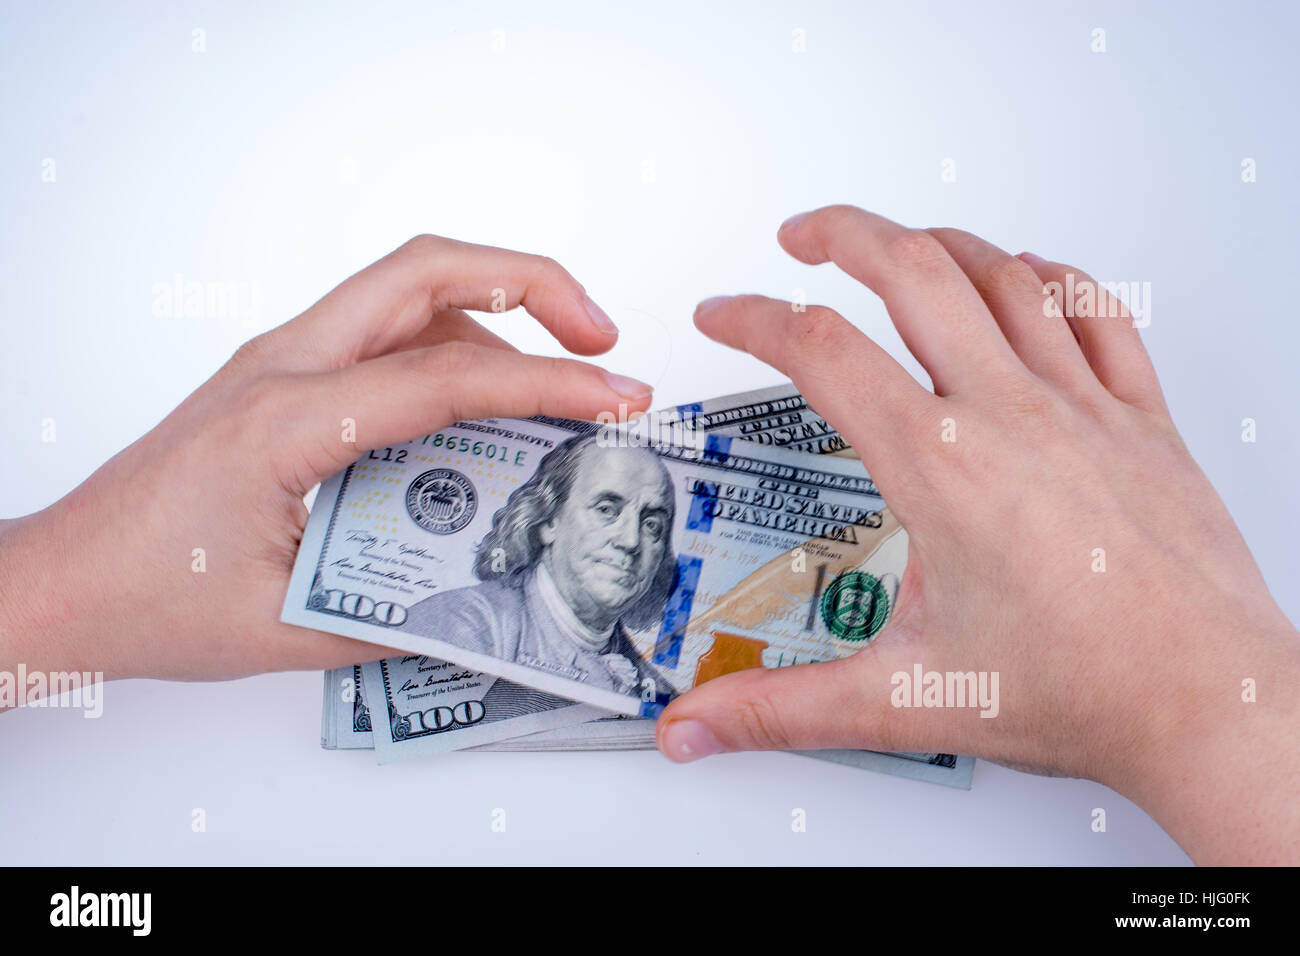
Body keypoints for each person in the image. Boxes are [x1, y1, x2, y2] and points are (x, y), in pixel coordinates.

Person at [0, 211, 1296, 865]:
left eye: (656, 513)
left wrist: (1202, 711)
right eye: (608, 505)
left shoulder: (644, 646)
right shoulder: (460, 628)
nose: (636, 535)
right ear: (545, 513)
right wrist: (1213, 716)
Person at [400, 434, 677, 699]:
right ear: (548, 521)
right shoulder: (461, 626)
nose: (630, 541)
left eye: (652, 526)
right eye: (606, 510)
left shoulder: (658, 693)